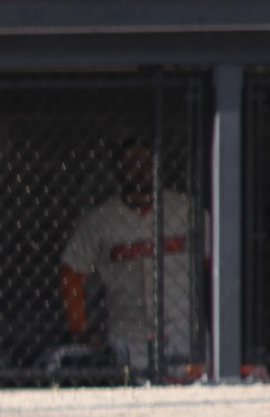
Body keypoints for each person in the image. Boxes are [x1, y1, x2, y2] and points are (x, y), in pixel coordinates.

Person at [61, 139, 203, 373]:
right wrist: (80, 329)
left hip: (184, 329)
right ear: (117, 169)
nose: (139, 169)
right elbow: (72, 271)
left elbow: (217, 264)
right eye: (130, 162)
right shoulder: (101, 220)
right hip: (129, 332)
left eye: (145, 162)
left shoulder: (186, 209)